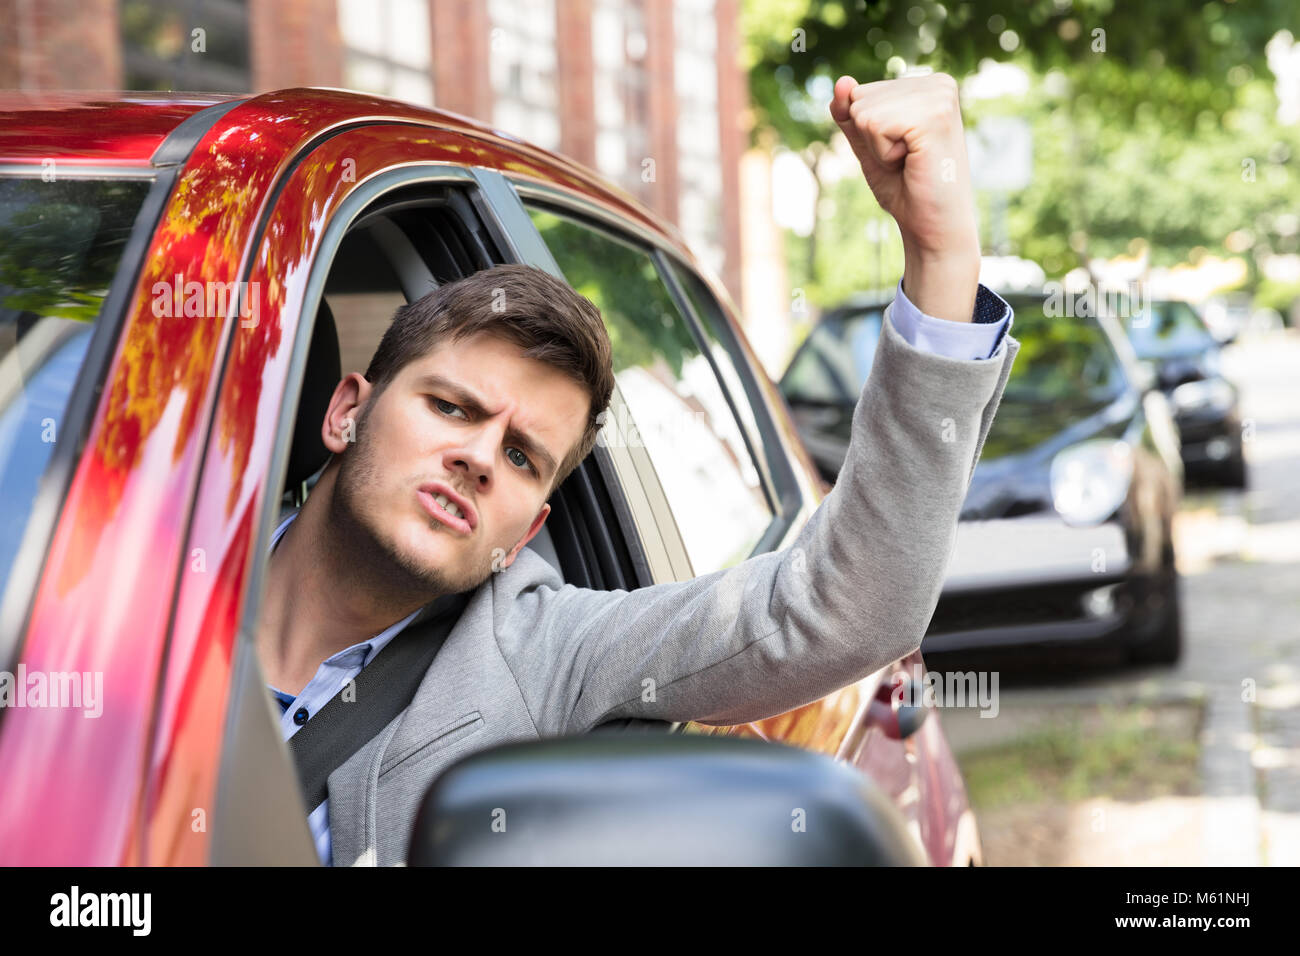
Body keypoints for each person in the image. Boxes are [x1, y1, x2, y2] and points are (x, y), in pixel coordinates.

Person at [255, 72, 1021, 866]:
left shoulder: (547, 653)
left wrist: (941, 254)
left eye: (523, 458)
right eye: (451, 407)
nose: (479, 458)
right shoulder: (143, 588)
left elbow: (846, 608)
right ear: (347, 410)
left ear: (528, 533)